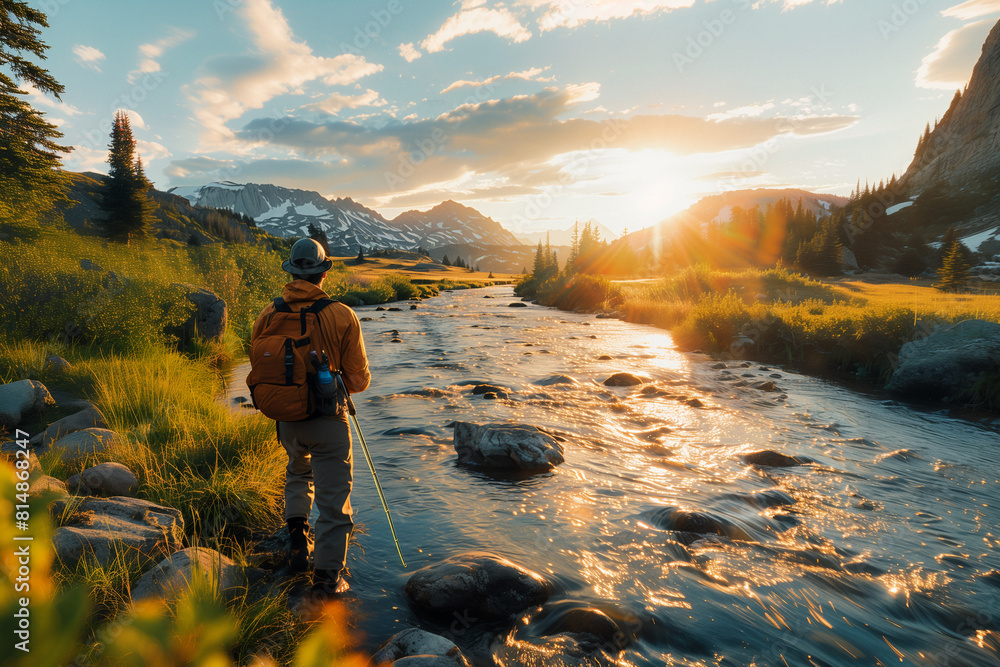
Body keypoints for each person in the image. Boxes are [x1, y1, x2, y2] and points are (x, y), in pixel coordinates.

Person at [249, 238, 370, 597]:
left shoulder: (267, 314)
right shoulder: (341, 314)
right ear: (324, 272)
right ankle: (327, 580)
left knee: (298, 473)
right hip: (328, 420)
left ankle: (298, 543)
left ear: (290, 271)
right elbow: (359, 381)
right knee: (334, 503)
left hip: (285, 421)